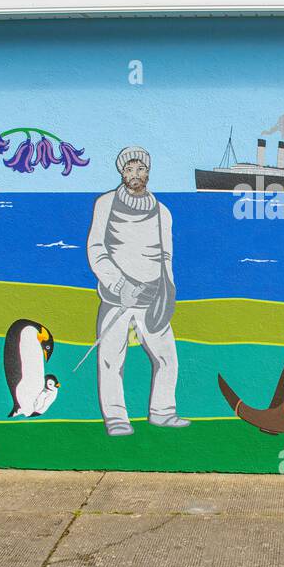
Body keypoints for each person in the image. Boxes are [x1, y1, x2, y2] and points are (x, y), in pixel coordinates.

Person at [86, 146, 187, 436]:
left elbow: (166, 257)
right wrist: (118, 283)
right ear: (121, 172)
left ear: (148, 171)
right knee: (110, 359)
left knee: (167, 357)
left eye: (140, 169)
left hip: (152, 298)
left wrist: (168, 293)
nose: (135, 175)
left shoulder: (161, 212)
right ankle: (116, 418)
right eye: (129, 169)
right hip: (116, 298)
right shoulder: (105, 203)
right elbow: (95, 249)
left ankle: (163, 412)